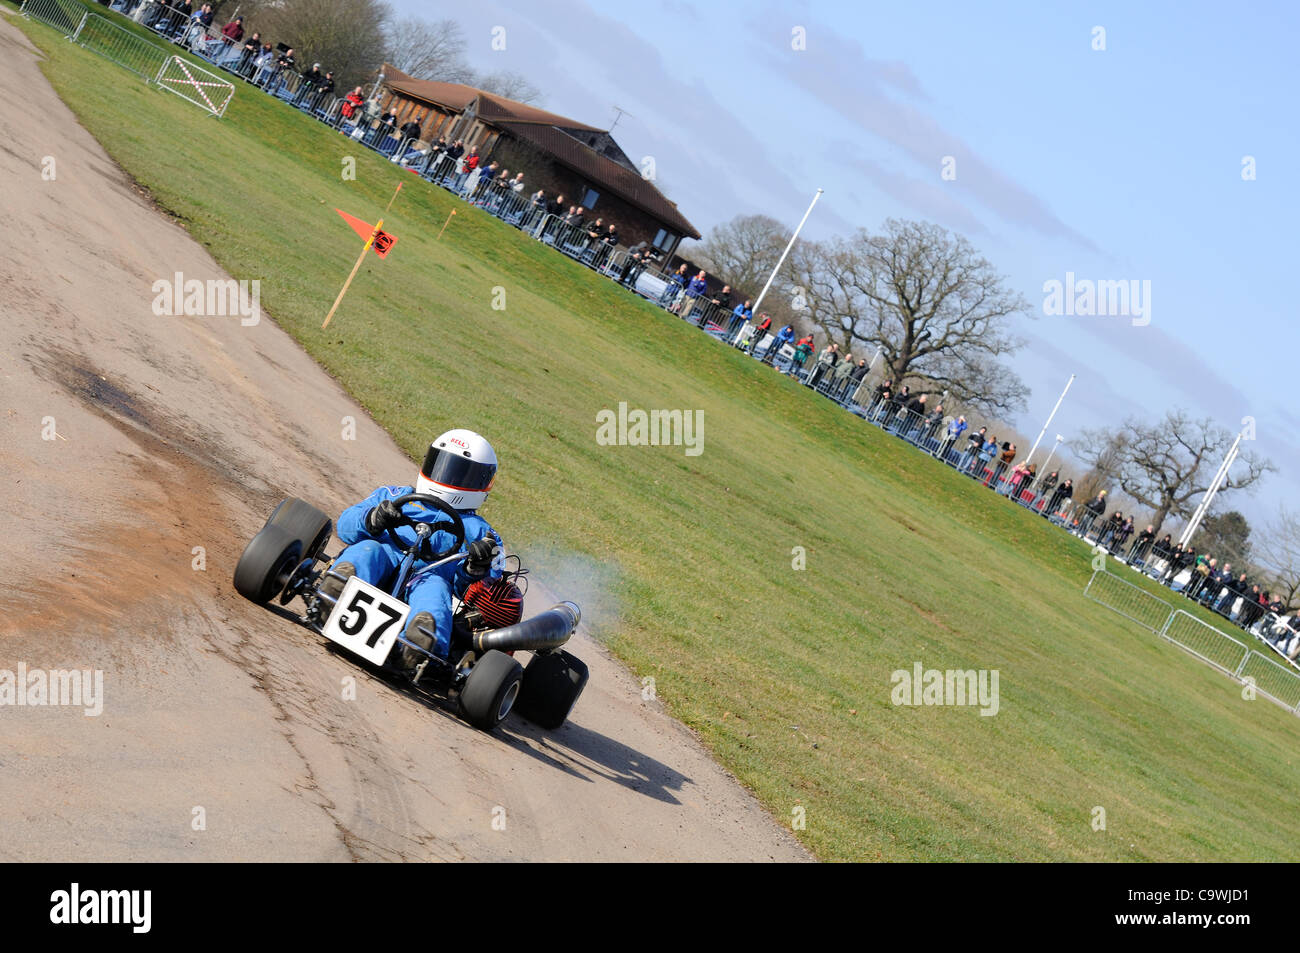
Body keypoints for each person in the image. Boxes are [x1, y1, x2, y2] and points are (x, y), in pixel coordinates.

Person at [321, 430, 505, 666]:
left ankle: (419, 643)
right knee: (368, 550)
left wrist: (474, 568)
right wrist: (372, 519)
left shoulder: (482, 533)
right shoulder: (395, 495)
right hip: (384, 559)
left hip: (428, 577)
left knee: (435, 590)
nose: (446, 475)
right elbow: (346, 526)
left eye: (459, 472)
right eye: (441, 464)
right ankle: (337, 590)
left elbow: (484, 591)